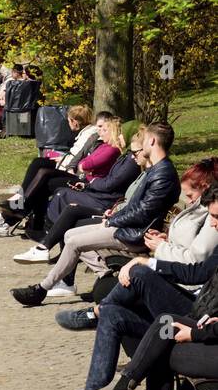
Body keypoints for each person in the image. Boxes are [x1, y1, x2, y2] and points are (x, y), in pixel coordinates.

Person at [47, 182, 218, 390]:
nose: (213, 224)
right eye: (212, 216)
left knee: (138, 274)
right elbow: (198, 270)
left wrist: (150, 262)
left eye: (216, 217)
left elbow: (196, 271)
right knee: (112, 313)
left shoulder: (164, 177)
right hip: (195, 305)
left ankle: (94, 314)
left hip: (200, 319)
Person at [11, 123, 181, 307]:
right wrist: (114, 216)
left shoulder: (162, 174)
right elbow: (136, 206)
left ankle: (41, 289)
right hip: (130, 226)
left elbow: (143, 212)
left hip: (135, 234)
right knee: (69, 234)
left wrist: (112, 221)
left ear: (152, 141)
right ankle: (105, 277)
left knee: (75, 241)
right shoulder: (157, 170)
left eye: (145, 139)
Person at [0, 106, 99, 237]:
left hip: (75, 174)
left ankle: (7, 218)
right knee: (39, 163)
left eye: (68, 121)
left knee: (43, 180)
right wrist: (61, 158)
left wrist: (63, 162)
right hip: (69, 167)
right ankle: (12, 210)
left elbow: (76, 159)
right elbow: (75, 155)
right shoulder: (86, 133)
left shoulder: (89, 134)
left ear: (74, 121)